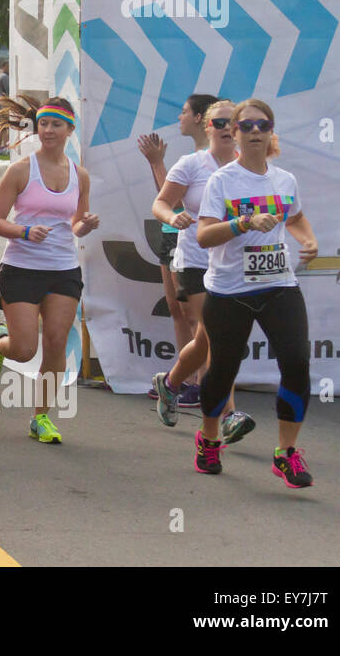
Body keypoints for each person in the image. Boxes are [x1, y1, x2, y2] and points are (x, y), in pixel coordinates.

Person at [192, 99, 317, 487]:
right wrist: (243, 222)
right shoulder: (222, 181)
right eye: (247, 127)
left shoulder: (285, 180)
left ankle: (286, 453)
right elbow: (204, 235)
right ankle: (209, 439)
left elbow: (293, 216)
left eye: (263, 125)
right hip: (230, 290)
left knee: (296, 364)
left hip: (279, 285)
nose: (256, 132)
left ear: (271, 131)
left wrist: (307, 238)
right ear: (235, 134)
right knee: (224, 369)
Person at [0, 96, 98, 444]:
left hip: (63, 268)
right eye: (43, 124)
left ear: (69, 130)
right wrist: (24, 231)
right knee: (24, 350)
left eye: (56, 125)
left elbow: (75, 224)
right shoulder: (21, 170)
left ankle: (41, 418)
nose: (47, 130)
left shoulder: (80, 175)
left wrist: (85, 225)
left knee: (56, 343)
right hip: (22, 266)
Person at [148, 98, 252, 440]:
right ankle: (229, 414)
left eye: (231, 123)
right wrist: (172, 217)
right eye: (218, 123)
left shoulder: (249, 167)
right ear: (207, 127)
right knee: (219, 337)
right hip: (194, 261)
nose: (225, 129)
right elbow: (161, 203)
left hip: (233, 265)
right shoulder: (191, 165)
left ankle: (171, 382)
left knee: (210, 341)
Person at [0, 62, 10, 157]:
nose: (9, 68)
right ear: (4, 66)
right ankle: (5, 147)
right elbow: (8, 90)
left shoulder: (0, 76)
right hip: (3, 105)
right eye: (8, 66)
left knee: (0, 127)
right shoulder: (4, 77)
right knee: (4, 127)